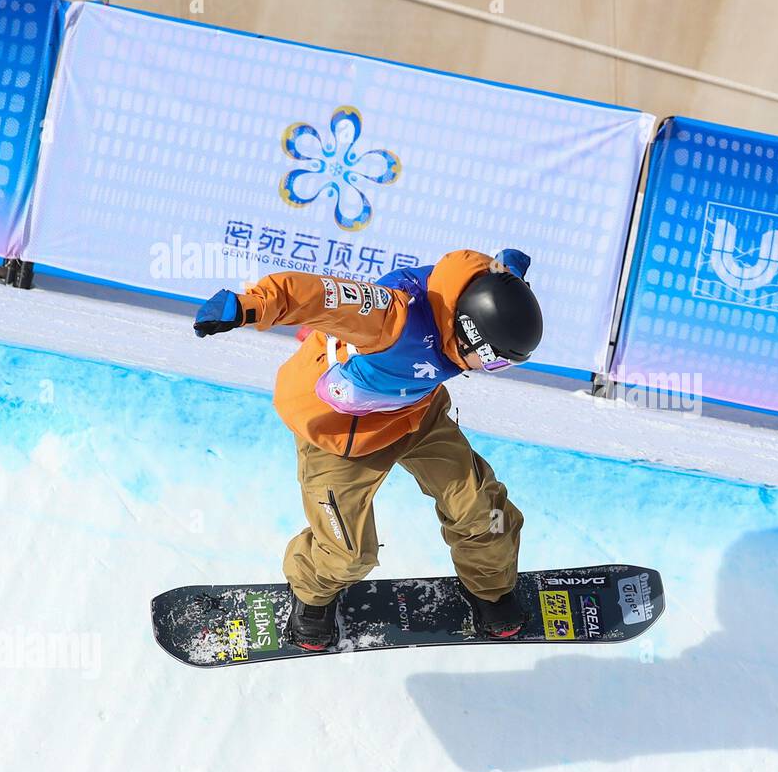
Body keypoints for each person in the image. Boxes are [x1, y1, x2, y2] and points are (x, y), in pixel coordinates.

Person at [192, 248, 543, 648]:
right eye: (492, 361)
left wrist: (511, 265)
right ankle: (311, 595)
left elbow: (503, 271)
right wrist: (247, 306)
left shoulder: (482, 289)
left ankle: (491, 589)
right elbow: (316, 294)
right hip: (338, 435)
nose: (488, 369)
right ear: (467, 331)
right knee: (348, 553)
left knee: (485, 512)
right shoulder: (390, 318)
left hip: (413, 414)